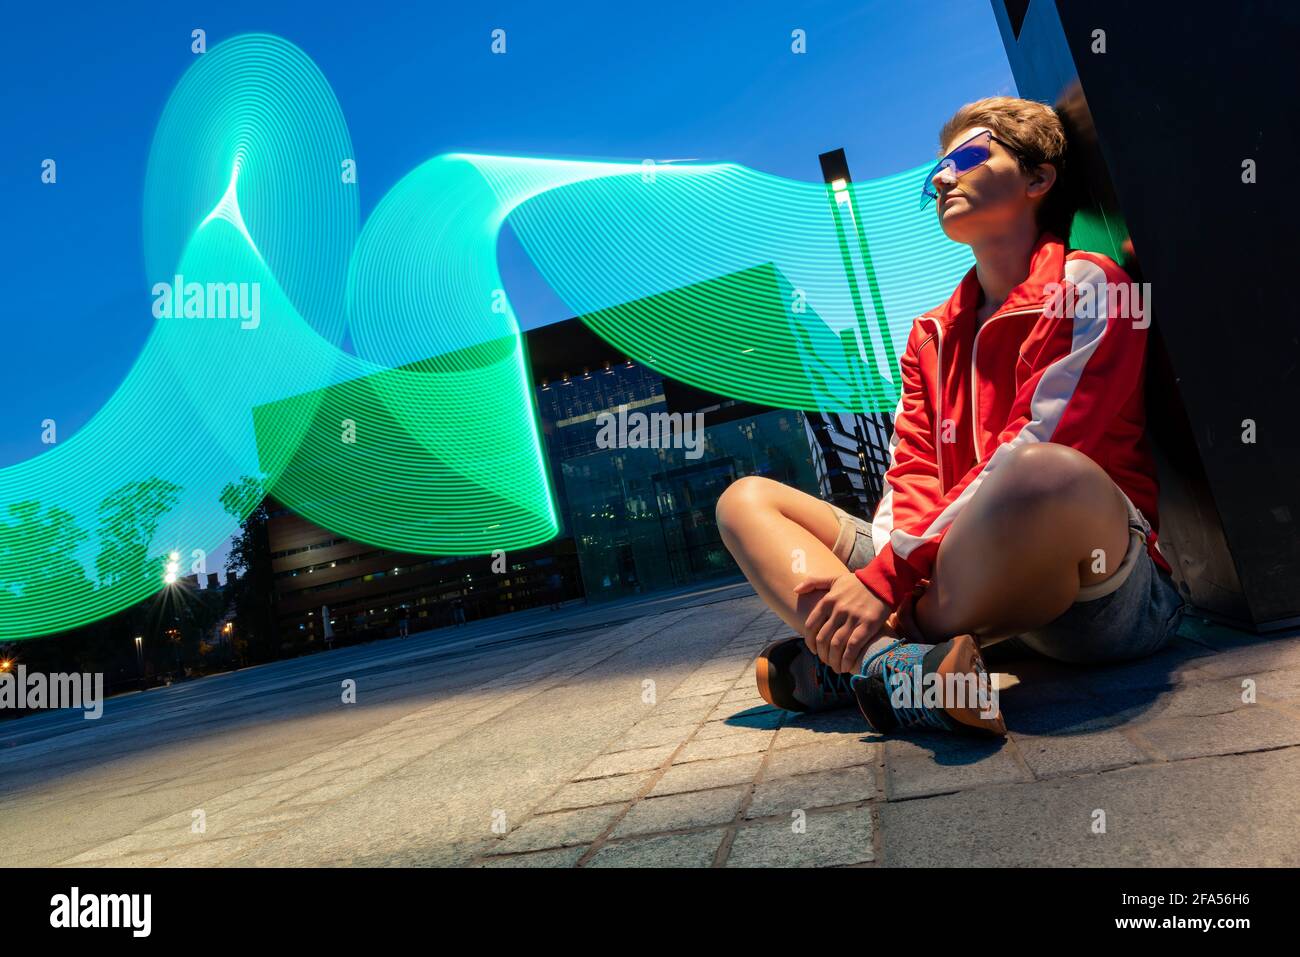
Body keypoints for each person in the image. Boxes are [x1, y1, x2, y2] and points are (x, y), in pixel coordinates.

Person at [716, 96, 1185, 737]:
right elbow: (911, 470)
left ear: (1036, 179)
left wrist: (882, 588)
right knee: (746, 501)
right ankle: (894, 664)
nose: (941, 178)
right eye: (934, 171)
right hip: (955, 578)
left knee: (1047, 472)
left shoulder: (1088, 287)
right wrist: (887, 569)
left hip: (1094, 596)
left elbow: (1036, 443)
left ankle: (857, 654)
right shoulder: (931, 334)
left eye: (968, 156)